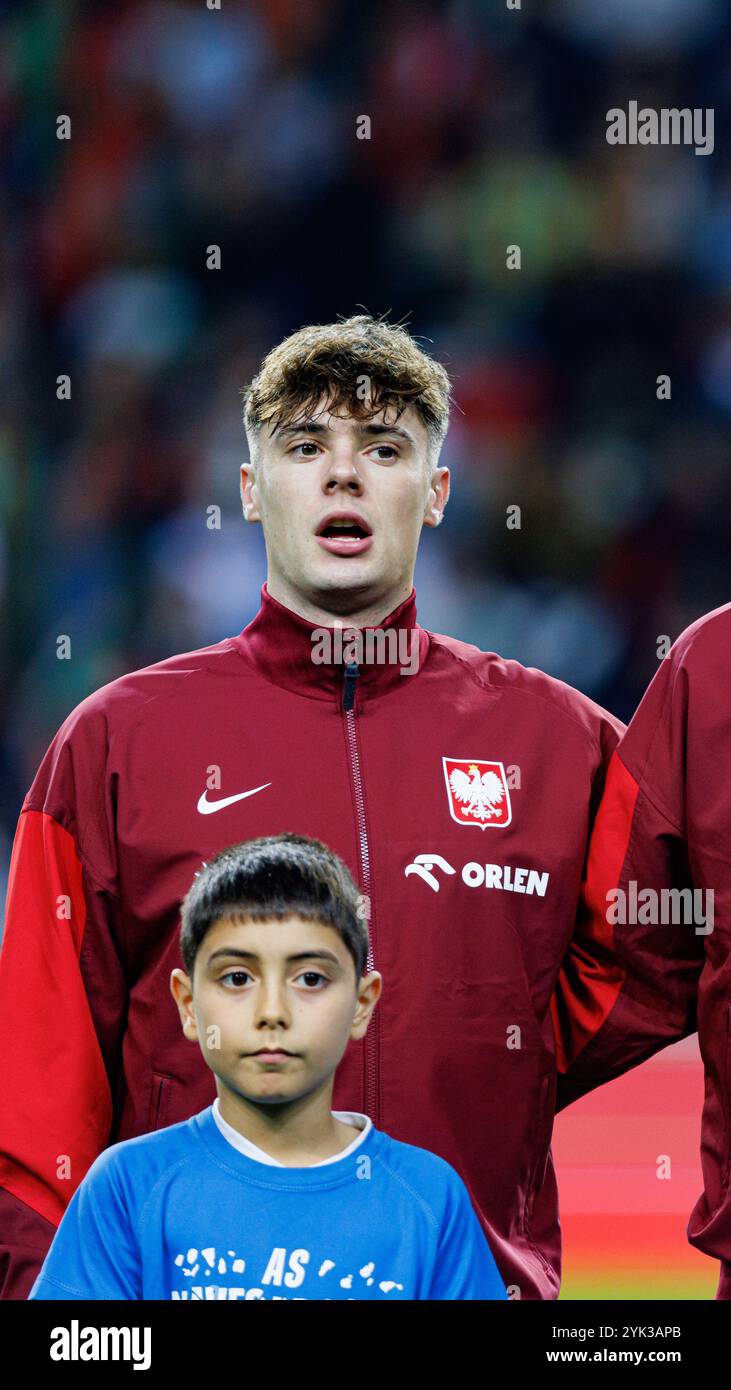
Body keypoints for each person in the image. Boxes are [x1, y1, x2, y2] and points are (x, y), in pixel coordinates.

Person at [0, 310, 683, 1302]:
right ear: (249, 488)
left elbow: (660, 945)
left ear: (437, 492)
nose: (343, 473)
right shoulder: (113, 743)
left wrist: (500, 1044)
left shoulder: (557, 741)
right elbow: (37, 1086)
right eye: (304, 445)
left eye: (384, 447)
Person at [28, 833, 507, 1301]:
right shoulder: (128, 1186)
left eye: (311, 978)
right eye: (238, 977)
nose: (272, 1011)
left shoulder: (429, 1197)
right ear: (189, 1004)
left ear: (362, 1003)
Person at [549, 604, 729, 1299]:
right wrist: (479, 1078)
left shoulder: (711, 660)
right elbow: (635, 951)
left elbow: (633, 958)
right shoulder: (709, 665)